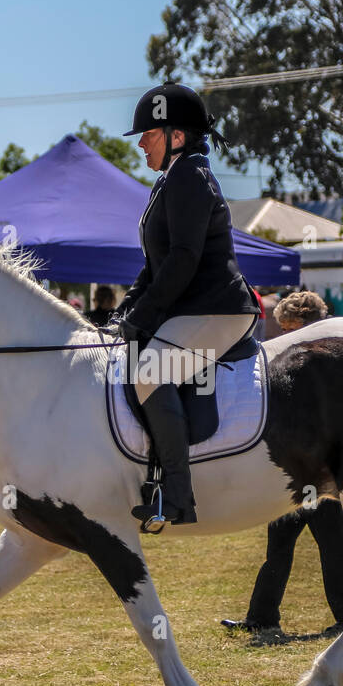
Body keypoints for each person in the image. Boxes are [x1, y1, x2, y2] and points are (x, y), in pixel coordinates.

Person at [114, 82, 261, 530]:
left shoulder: (190, 178)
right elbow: (157, 266)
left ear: (177, 136)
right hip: (195, 310)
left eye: (149, 134)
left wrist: (144, 314)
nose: (140, 143)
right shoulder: (171, 180)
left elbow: (183, 260)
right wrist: (126, 310)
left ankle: (175, 496)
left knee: (150, 372)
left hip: (216, 311)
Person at [221, 292, 343, 636]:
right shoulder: (292, 360)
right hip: (291, 470)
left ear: (307, 326)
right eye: (281, 328)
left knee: (331, 541)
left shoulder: (327, 363)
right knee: (280, 545)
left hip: (321, 469)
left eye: (288, 328)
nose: (280, 335)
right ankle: (262, 617)